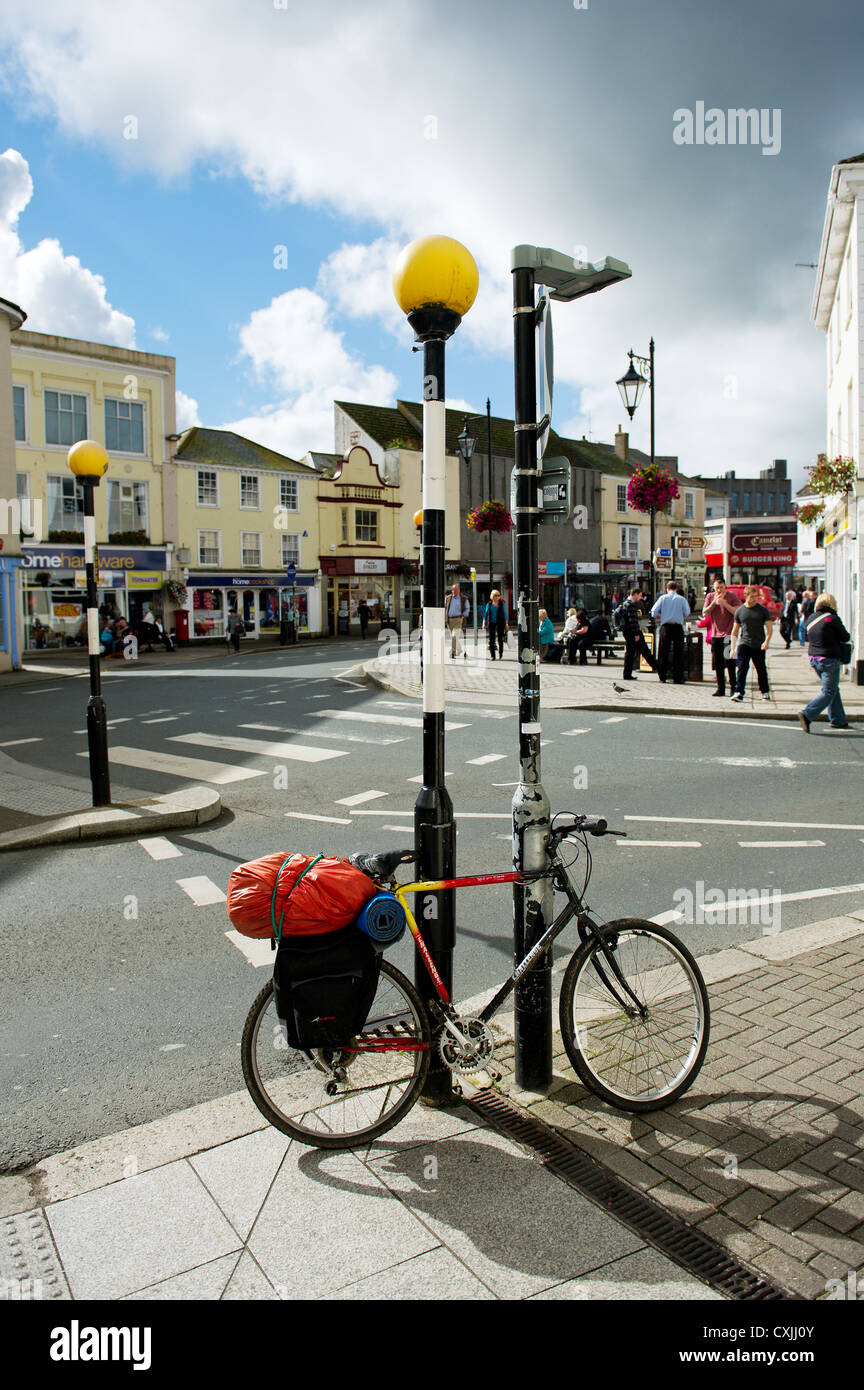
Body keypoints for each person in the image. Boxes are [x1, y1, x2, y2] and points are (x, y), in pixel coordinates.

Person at [799, 594, 851, 731]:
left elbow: (807, 634)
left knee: (833, 689)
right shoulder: (832, 618)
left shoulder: (811, 618)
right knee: (828, 691)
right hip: (829, 659)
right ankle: (807, 714)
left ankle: (837, 720)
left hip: (814, 659)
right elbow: (846, 636)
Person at [730, 585, 773, 701]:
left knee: (761, 669)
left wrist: (766, 641)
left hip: (758, 644)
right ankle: (739, 692)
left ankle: (765, 691)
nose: (755, 599)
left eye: (756, 596)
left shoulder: (762, 610)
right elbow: (734, 631)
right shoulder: (740, 611)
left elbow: (769, 628)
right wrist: (732, 648)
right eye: (752, 597)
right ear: (746, 596)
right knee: (742, 668)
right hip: (744, 643)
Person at [702, 579, 738, 697]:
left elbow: (738, 611)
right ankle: (720, 688)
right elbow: (705, 613)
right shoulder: (710, 596)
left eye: (721, 587)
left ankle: (733, 687)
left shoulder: (732, 596)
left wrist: (725, 604)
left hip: (728, 634)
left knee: (730, 661)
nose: (719, 590)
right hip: (715, 635)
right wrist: (714, 603)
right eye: (717, 588)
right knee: (718, 663)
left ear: (725, 587)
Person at [651, 581, 691, 684]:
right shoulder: (682, 599)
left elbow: (653, 612)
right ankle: (678, 677)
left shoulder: (663, 598)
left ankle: (662, 676)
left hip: (666, 626)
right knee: (678, 652)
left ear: (667, 588)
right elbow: (687, 612)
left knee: (663, 651)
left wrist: (661, 614)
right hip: (677, 627)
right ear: (677, 588)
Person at [616, 586, 657, 680]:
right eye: (639, 595)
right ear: (634, 594)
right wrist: (636, 634)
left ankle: (627, 674)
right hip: (632, 632)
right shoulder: (630, 605)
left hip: (627, 631)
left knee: (631, 653)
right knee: (644, 651)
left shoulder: (625, 603)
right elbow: (632, 620)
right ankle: (657, 668)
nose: (640, 598)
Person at [483, 589, 508, 660]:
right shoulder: (489, 604)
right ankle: (492, 656)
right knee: (491, 640)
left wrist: (506, 624)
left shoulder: (501, 604)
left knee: (500, 639)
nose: (497, 597)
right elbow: (485, 614)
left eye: (498, 595)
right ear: (492, 596)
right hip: (492, 623)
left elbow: (505, 614)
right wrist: (484, 623)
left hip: (500, 623)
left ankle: (500, 653)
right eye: (495, 595)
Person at [446, 583, 470, 658]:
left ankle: (452, 653)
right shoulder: (448, 598)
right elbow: (444, 608)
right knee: (454, 637)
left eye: (455, 590)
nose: (454, 591)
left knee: (454, 636)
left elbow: (467, 608)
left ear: (459, 590)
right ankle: (459, 650)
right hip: (449, 620)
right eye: (453, 590)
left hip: (458, 619)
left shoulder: (463, 598)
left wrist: (463, 615)